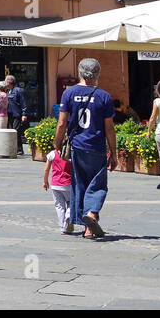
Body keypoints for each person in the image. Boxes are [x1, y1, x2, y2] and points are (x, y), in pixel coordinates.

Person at [54, 57, 116, 239]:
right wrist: (113, 151)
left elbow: (61, 123)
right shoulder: (104, 96)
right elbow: (109, 128)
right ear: (98, 73)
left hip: (77, 146)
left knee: (80, 185)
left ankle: (87, 228)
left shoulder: (69, 93)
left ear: (80, 72)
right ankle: (92, 215)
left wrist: (57, 144)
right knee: (98, 185)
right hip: (96, 146)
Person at [43, 145, 74, 235]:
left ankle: (62, 226)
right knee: (71, 202)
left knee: (59, 206)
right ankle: (68, 216)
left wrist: (45, 181)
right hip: (69, 183)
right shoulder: (71, 155)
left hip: (55, 184)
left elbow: (46, 169)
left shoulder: (52, 154)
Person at [6, 75, 28, 156]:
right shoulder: (9, 91)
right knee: (11, 131)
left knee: (16, 132)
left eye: (6, 81)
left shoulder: (18, 90)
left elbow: (23, 103)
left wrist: (24, 114)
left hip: (17, 114)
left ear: (9, 82)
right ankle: (12, 148)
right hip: (10, 114)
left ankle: (19, 149)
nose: (5, 83)